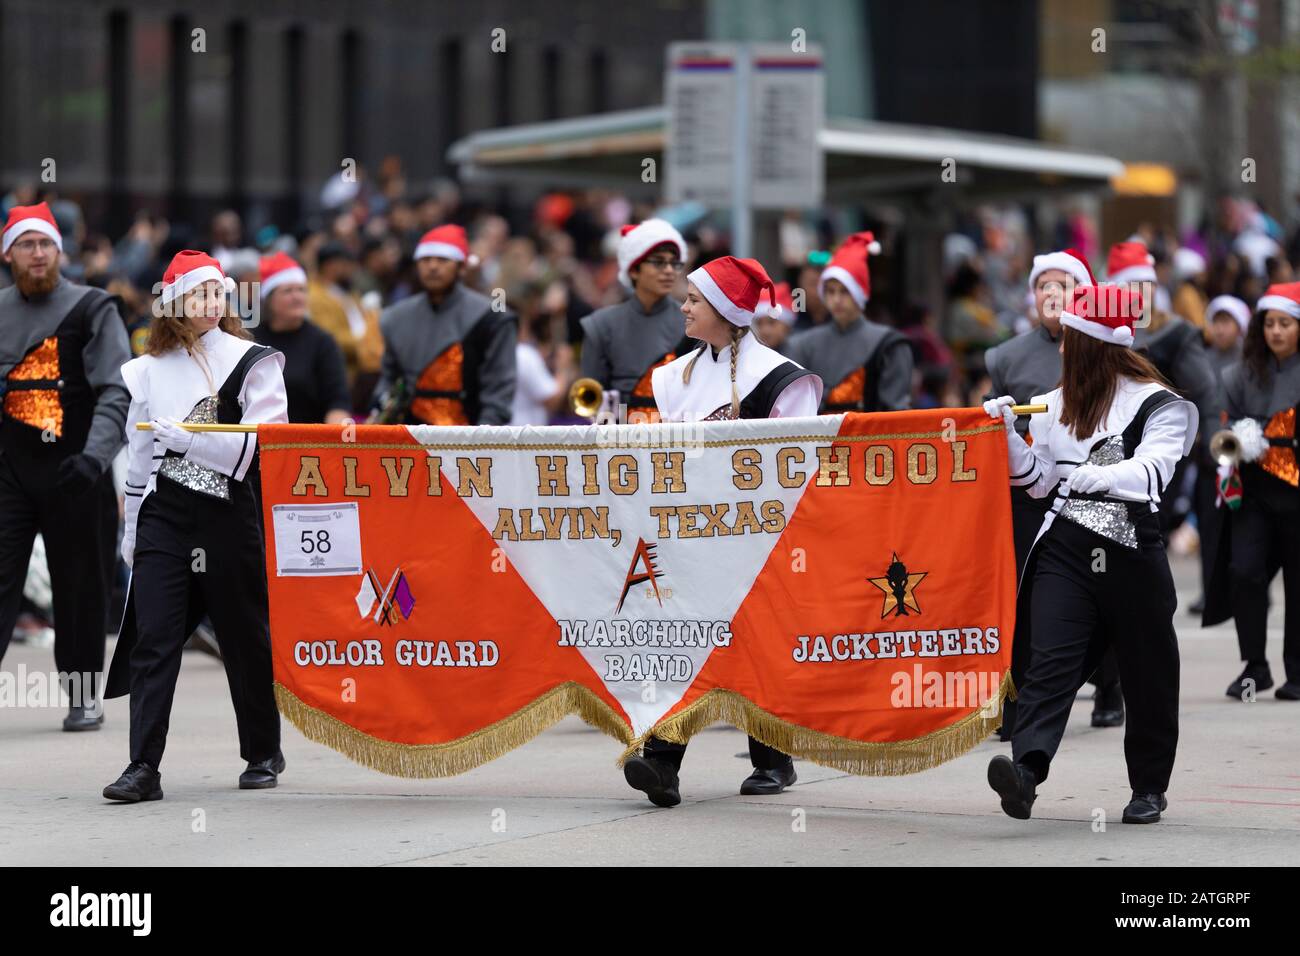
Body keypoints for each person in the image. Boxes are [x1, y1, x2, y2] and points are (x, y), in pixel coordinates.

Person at [984, 283, 1195, 825]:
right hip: (1067, 548)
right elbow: (1035, 483)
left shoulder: (1160, 404)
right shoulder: (1056, 404)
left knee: (1148, 672)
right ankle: (1026, 772)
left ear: (1091, 345)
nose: (1058, 349)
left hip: (1130, 547)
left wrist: (1091, 476)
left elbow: (1152, 473)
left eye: (1068, 339)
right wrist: (1006, 433)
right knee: (1048, 662)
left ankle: (1149, 786)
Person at [622, 255, 823, 807]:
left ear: (727, 312)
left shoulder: (782, 381)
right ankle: (662, 762)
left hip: (758, 539)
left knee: (757, 642)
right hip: (689, 533)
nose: (683, 307)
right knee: (684, 641)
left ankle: (773, 759)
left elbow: (796, 470)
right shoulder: (676, 376)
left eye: (694, 300)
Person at [102, 250, 288, 802]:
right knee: (154, 638)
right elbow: (138, 459)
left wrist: (192, 442)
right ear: (174, 304)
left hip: (229, 513)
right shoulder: (147, 369)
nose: (210, 304)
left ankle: (261, 750)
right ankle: (142, 766)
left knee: (242, 635)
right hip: (165, 514)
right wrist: (132, 531)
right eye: (198, 295)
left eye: (216, 294)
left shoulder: (253, 359)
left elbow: (263, 443)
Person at [0, 202, 131, 730]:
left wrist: (94, 459)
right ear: (8, 253)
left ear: (60, 250)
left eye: (46, 244)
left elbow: (117, 390)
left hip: (77, 467)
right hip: (10, 469)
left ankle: (83, 697)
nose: (38, 253)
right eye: (26, 244)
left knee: (80, 586)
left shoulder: (93, 306)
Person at [983, 248, 1095, 735]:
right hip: (1031, 488)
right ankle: (1019, 699)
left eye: (1062, 285)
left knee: (1100, 589)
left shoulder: (1102, 348)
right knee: (1027, 593)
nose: (1052, 294)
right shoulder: (1005, 356)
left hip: (1094, 487)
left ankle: (1108, 686)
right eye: (1043, 286)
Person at [1205, 282, 1300, 701]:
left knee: (1298, 583)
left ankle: (1297, 671)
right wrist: (1232, 444)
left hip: (1298, 493)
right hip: (1253, 489)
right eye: (1269, 324)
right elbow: (1219, 430)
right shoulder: (1237, 374)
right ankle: (1254, 666)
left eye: (1285, 324)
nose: (1276, 332)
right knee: (1243, 571)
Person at [370, 224, 515, 425]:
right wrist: (383, 403)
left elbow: (499, 388)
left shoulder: (491, 318)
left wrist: (484, 440)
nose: (433, 266)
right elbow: (389, 377)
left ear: (461, 267)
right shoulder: (395, 317)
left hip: (470, 439)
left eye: (443, 260)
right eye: (425, 260)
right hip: (409, 439)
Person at [578, 219, 691, 424]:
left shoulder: (692, 321)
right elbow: (590, 396)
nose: (669, 270)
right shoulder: (601, 324)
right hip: (617, 439)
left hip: (675, 438)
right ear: (633, 270)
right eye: (658, 262)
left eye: (675, 263)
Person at [786, 231, 913, 412]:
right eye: (830, 291)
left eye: (844, 291)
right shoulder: (801, 345)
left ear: (860, 293)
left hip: (872, 439)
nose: (836, 299)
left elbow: (895, 412)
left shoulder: (890, 345)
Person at [253, 252, 351, 424]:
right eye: (287, 291)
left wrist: (335, 437)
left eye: (301, 290)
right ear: (269, 299)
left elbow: (337, 400)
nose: (297, 296)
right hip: (258, 436)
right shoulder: (252, 341)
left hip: (308, 440)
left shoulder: (322, 342)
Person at [308, 241, 383, 409]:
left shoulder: (348, 292)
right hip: (343, 374)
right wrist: (367, 343)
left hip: (364, 370)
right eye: (346, 264)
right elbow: (329, 336)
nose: (351, 269)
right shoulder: (314, 296)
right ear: (330, 265)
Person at [752, 282, 797, 354]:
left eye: (771, 322)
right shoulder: (753, 354)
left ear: (787, 324)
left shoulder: (800, 353)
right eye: (759, 323)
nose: (764, 331)